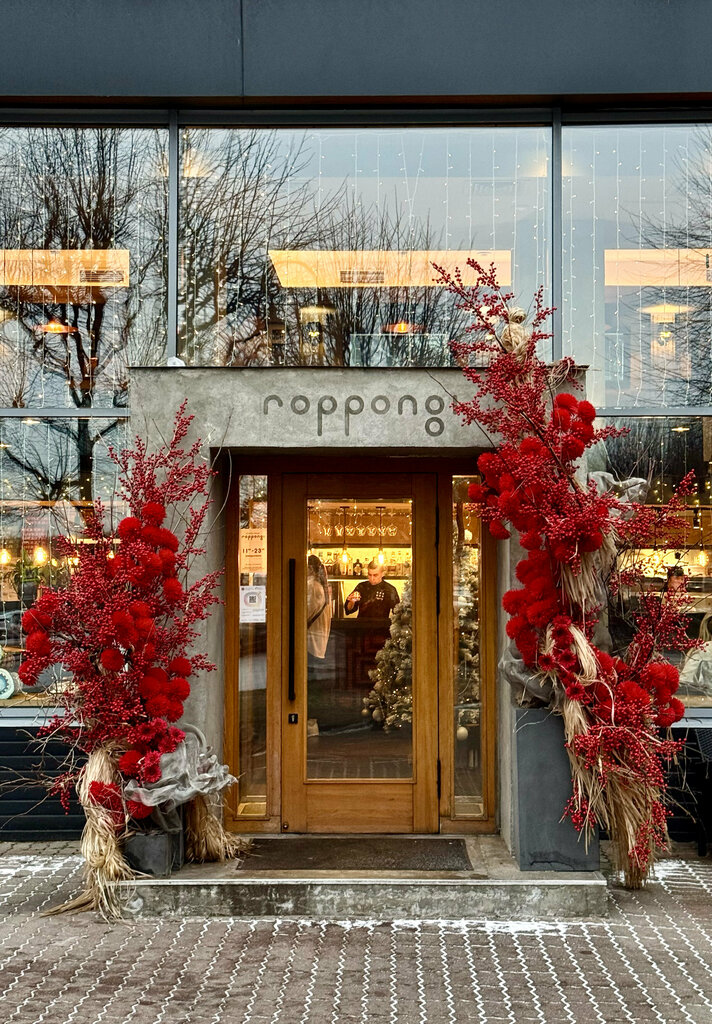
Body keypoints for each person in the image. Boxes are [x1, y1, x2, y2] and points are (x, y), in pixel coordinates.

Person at [307, 554, 332, 659]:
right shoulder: (321, 586)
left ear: (310, 569)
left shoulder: (312, 586)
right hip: (319, 643)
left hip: (311, 642)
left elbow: (305, 614)